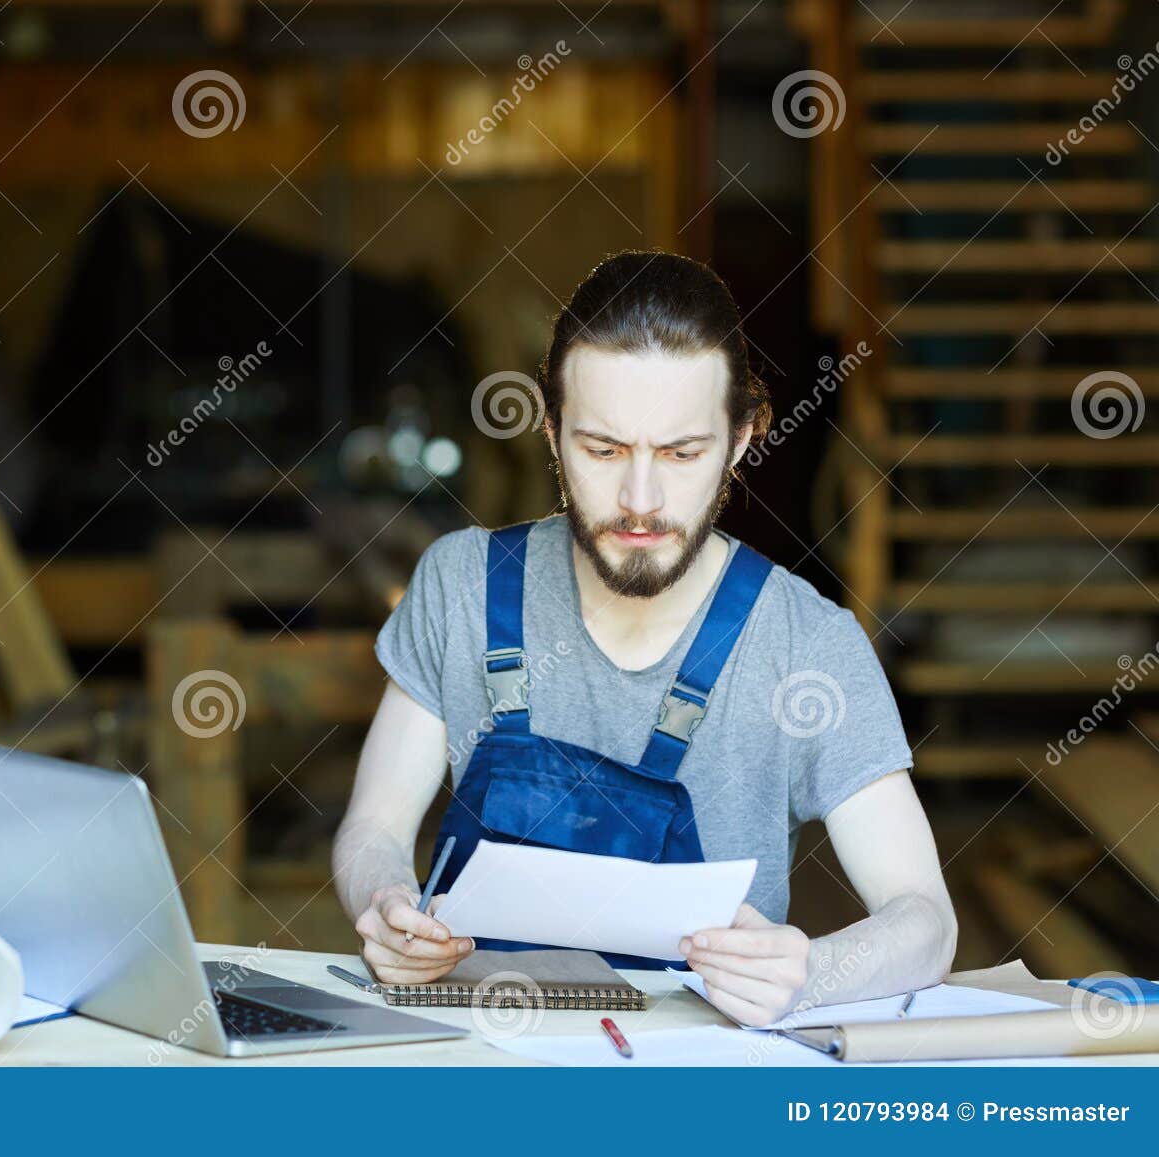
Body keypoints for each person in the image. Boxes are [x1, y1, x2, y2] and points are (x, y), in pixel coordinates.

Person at [333, 250, 957, 1027]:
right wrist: (383, 900)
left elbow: (926, 919)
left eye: (680, 453)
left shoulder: (806, 645)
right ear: (550, 427)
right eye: (601, 449)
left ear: (741, 439)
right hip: (476, 1060)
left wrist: (815, 971)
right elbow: (374, 829)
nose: (638, 500)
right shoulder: (461, 588)